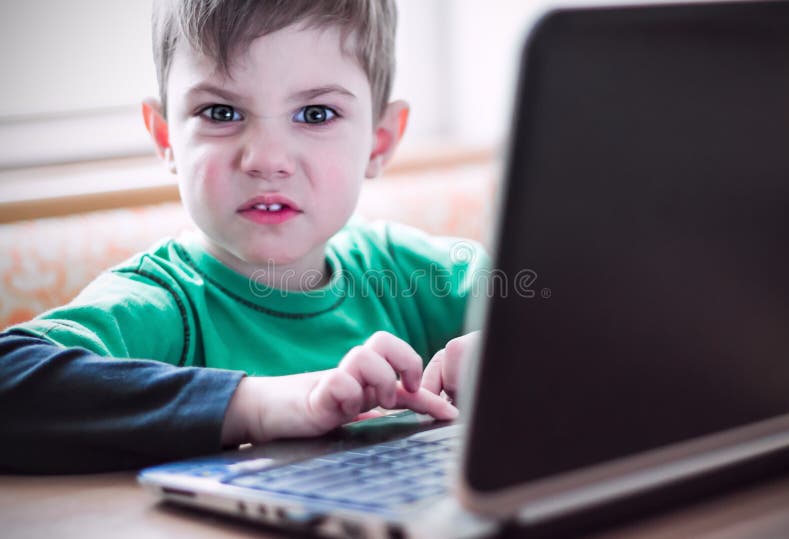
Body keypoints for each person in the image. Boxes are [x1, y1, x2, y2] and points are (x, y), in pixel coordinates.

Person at [0, 0, 487, 472]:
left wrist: (510, 352)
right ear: (166, 137)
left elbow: (559, 303)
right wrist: (259, 406)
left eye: (316, 114)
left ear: (379, 141)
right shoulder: (163, 305)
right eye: (221, 112)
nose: (266, 158)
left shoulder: (404, 272)